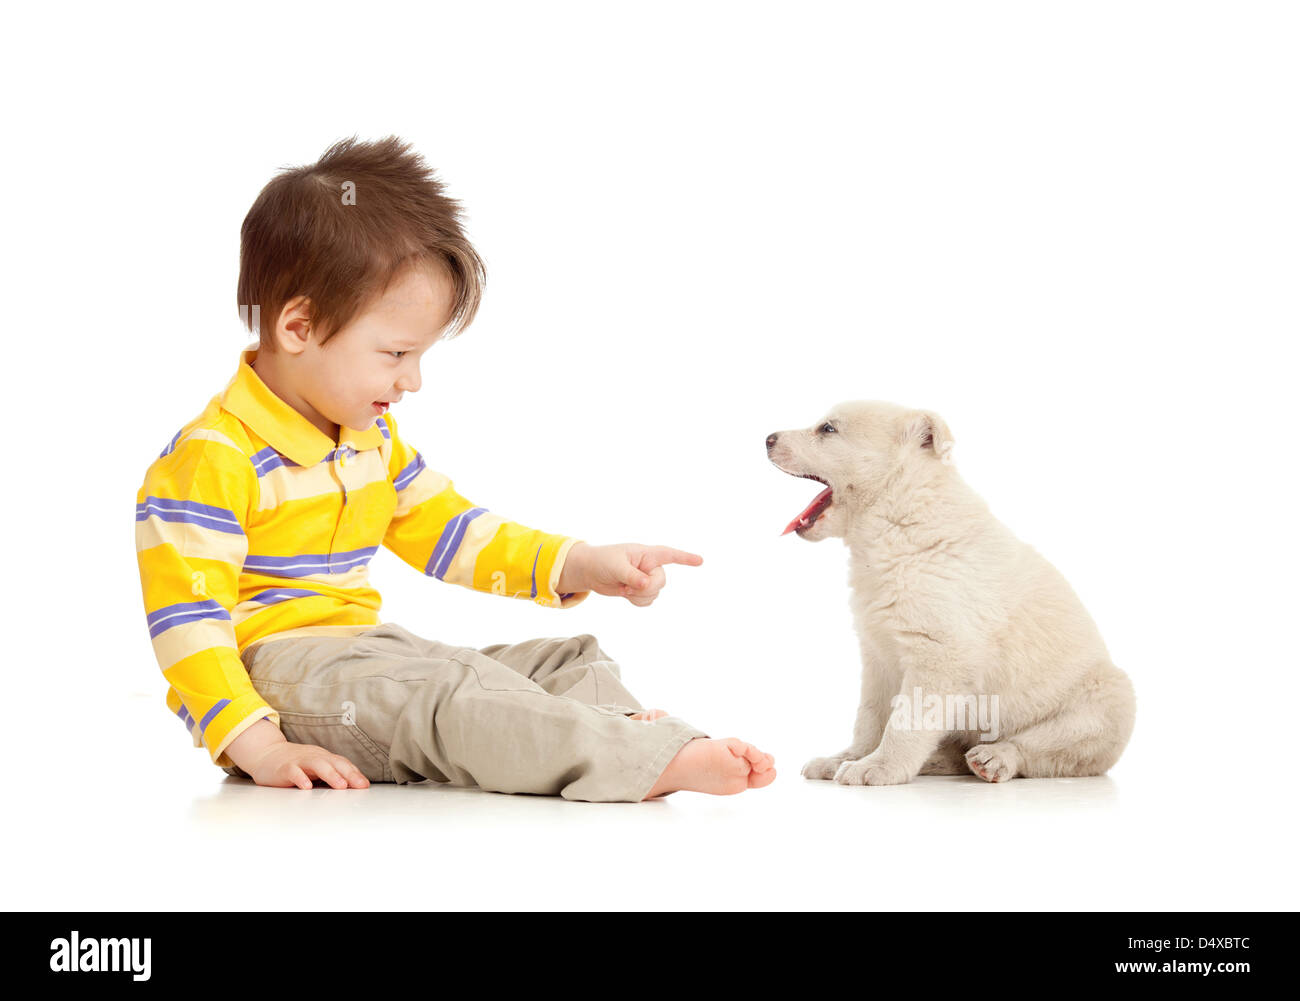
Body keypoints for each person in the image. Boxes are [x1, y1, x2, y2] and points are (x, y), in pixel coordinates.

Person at [133, 135, 776, 802]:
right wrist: (259, 745)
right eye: (395, 352)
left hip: (371, 653)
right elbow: (187, 621)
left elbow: (454, 531)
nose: (412, 379)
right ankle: (633, 758)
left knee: (566, 657)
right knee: (452, 692)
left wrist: (575, 563)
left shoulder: (369, 439)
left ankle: (619, 734)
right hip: (279, 679)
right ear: (299, 326)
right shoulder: (214, 457)